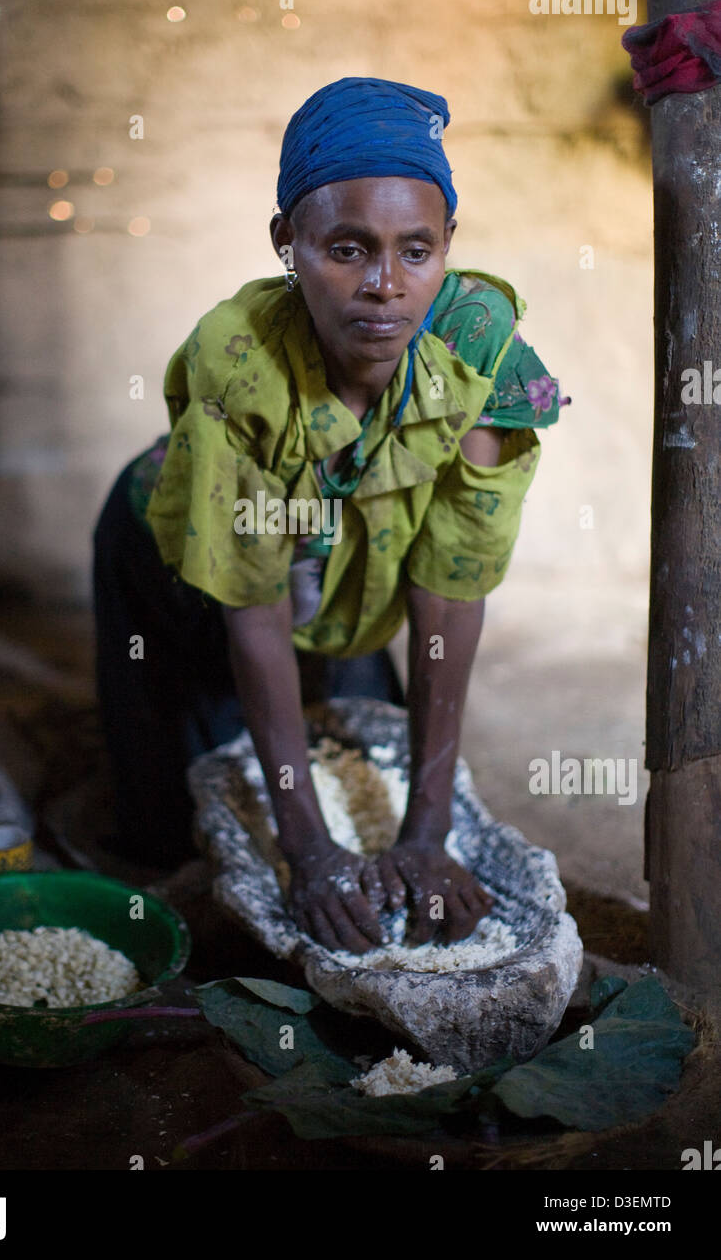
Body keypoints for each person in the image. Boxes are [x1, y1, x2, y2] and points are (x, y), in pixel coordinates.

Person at [92, 76, 570, 955]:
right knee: (195, 784)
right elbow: (256, 610)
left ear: (448, 247)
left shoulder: (481, 364)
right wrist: (306, 850)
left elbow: (450, 591)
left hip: (349, 560)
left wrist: (428, 833)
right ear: (288, 242)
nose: (385, 285)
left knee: (360, 727)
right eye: (348, 250)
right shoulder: (240, 371)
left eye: (415, 252)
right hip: (177, 547)